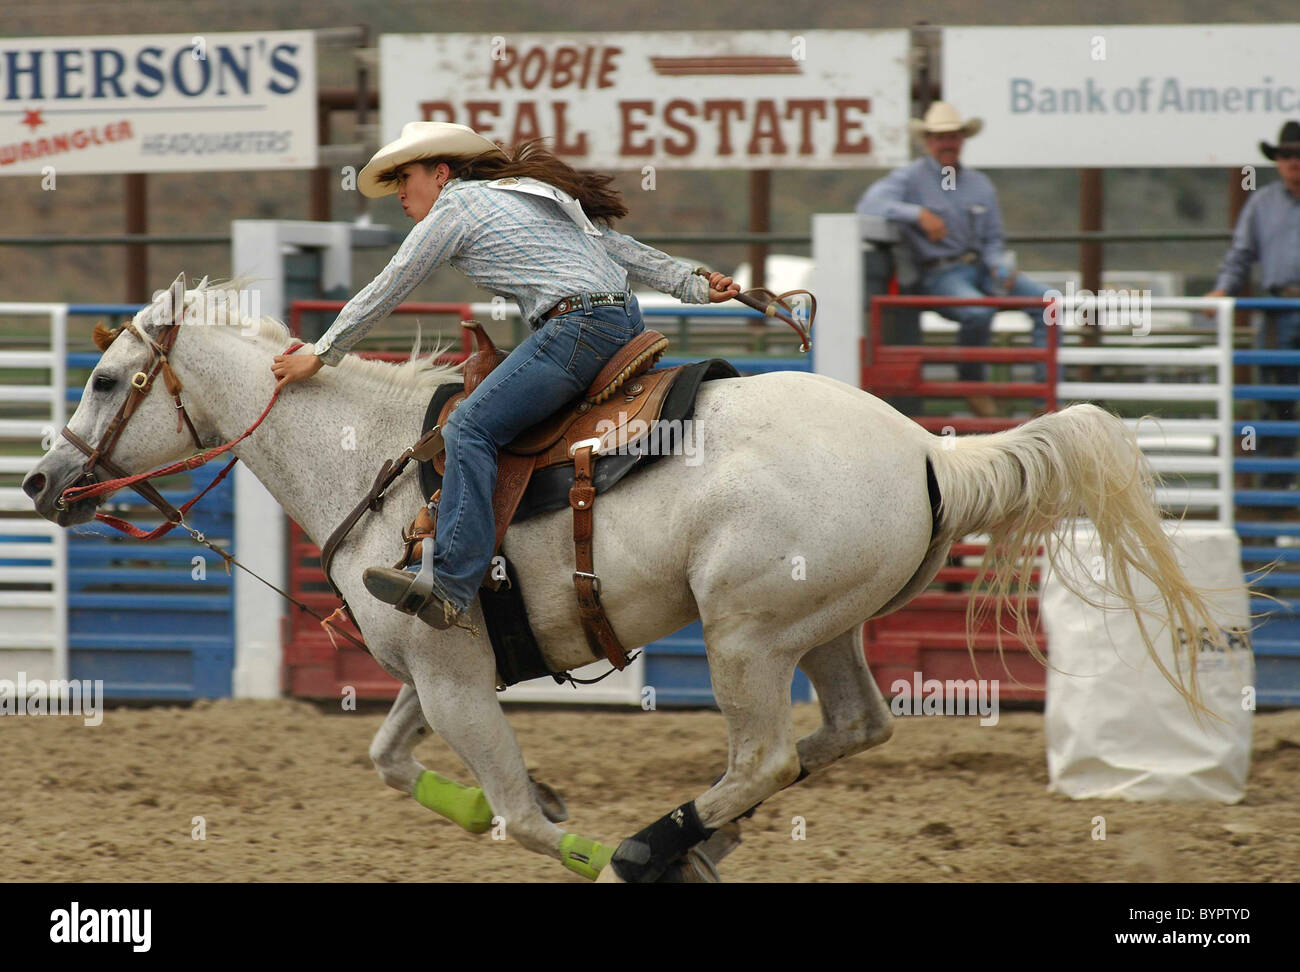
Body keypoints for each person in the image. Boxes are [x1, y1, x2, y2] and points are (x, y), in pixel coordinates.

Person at [270, 121, 739, 630]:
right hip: (622, 320)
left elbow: (390, 285)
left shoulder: (454, 208)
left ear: (441, 172)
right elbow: (616, 247)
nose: (400, 192)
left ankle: (450, 582)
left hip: (577, 327)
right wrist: (693, 285)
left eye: (406, 177)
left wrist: (321, 353)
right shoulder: (526, 191)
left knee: (469, 427)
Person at [856, 102, 1051, 418]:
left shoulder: (979, 184)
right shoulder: (910, 178)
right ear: (928, 141)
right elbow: (870, 204)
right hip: (940, 273)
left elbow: (992, 237)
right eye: (940, 137)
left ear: (962, 139)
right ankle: (973, 386)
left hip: (982, 269)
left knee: (1046, 302)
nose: (948, 143)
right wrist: (917, 213)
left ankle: (1044, 398)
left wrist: (999, 263)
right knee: (976, 312)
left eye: (954, 136)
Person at [1206, 120, 1300, 491]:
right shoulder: (1263, 203)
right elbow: (1240, 256)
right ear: (1278, 161)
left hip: (1278, 312)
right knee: (1275, 403)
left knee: (1279, 402)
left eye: (1299, 155)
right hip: (1277, 311)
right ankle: (1273, 496)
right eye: (1287, 155)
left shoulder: (1262, 202)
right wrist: (1222, 289)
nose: (1293, 162)